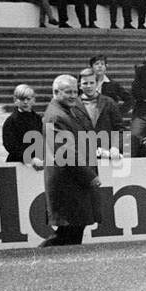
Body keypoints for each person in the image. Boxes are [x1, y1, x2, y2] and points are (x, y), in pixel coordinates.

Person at [38, 75, 101, 246]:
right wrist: (89, 176)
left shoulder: (66, 111)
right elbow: (65, 152)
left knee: (72, 230)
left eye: (75, 91)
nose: (73, 95)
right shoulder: (56, 117)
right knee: (70, 232)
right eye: (68, 92)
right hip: (68, 182)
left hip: (72, 181)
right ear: (56, 92)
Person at [2, 85, 43, 163]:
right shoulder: (10, 122)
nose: (25, 102)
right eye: (22, 99)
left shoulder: (39, 119)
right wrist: (29, 158)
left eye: (28, 99)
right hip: (19, 163)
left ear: (34, 100)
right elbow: (10, 145)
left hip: (39, 162)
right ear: (15, 100)